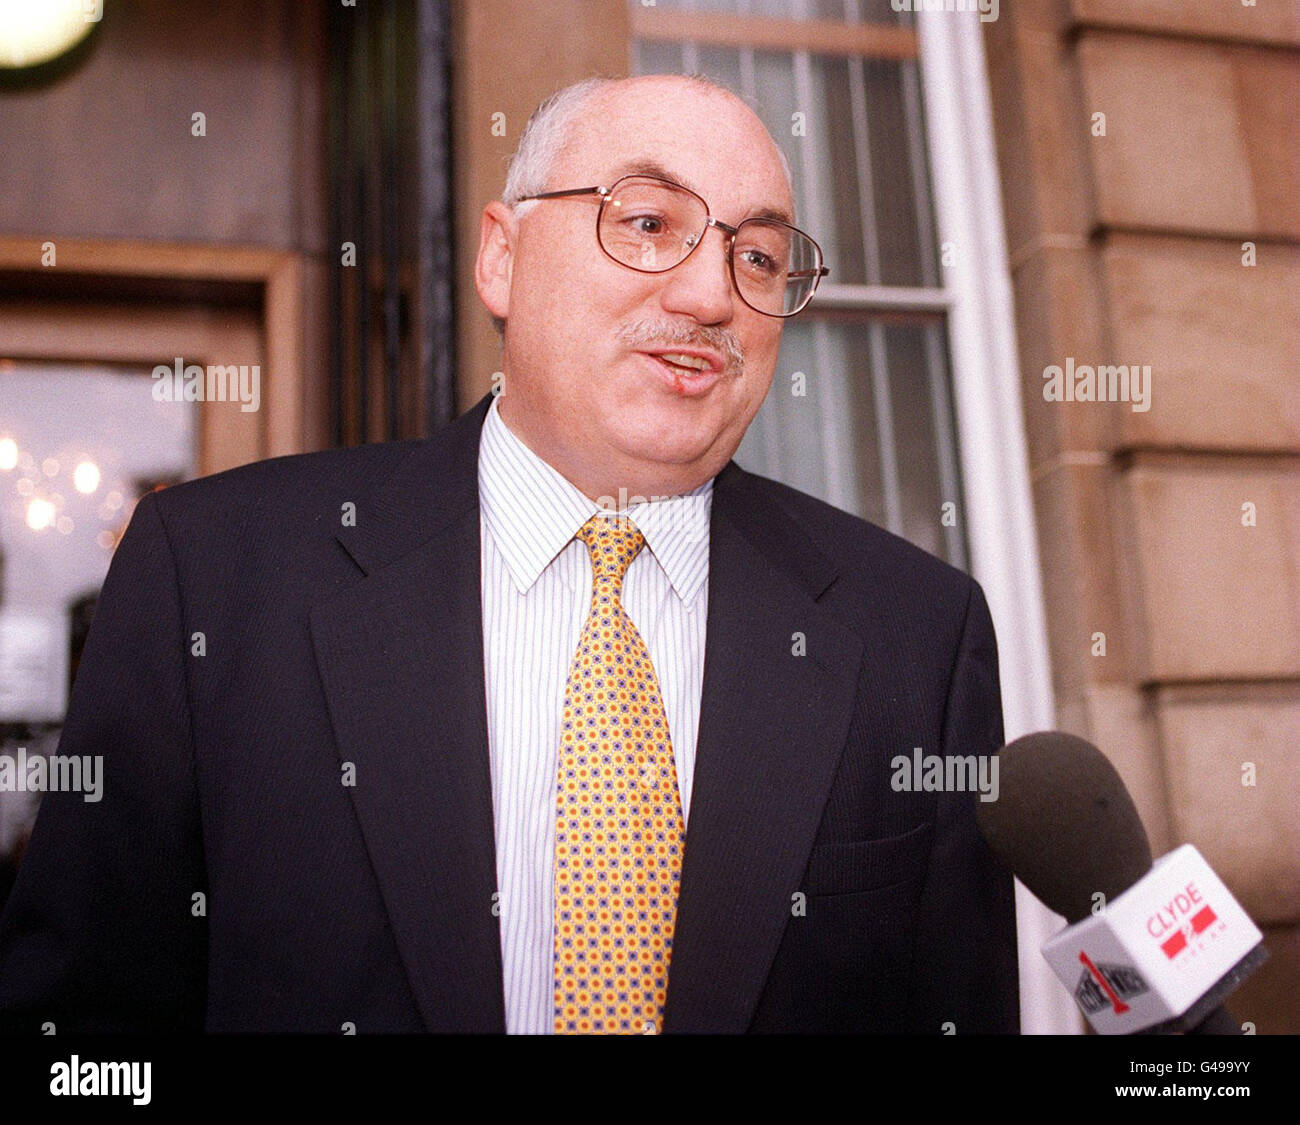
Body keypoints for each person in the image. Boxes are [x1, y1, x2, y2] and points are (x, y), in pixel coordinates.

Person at [0, 74, 1018, 1034]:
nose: (713, 294)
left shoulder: (914, 637)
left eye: (757, 256)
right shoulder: (213, 578)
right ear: (500, 257)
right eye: (650, 222)